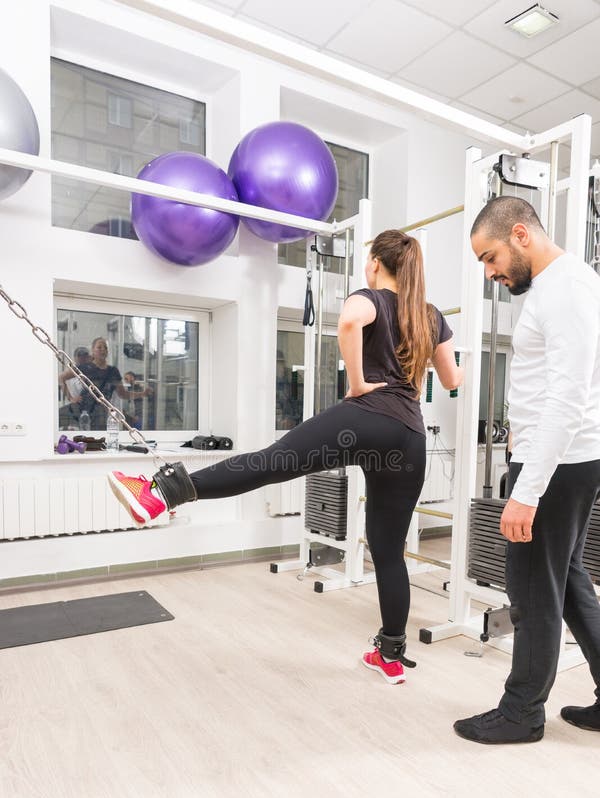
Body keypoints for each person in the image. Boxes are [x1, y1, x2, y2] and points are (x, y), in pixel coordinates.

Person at [108, 230, 463, 683]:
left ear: (376, 264)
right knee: (390, 553)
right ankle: (391, 655)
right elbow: (452, 380)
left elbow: (352, 321)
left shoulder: (371, 296)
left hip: (366, 418)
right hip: (408, 437)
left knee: (271, 462)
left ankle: (161, 492)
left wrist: (356, 382)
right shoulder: (430, 316)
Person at [454, 196, 600, 744]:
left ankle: (521, 713)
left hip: (556, 466)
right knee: (567, 582)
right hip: (562, 461)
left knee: (533, 589)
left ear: (520, 234)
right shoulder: (558, 287)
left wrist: (527, 491)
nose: (491, 273)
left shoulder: (565, 289)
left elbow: (568, 399)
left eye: (490, 258)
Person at [63, 337, 150, 430]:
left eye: (105, 347)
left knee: (100, 439)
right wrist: (70, 398)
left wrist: (143, 394)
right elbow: (61, 378)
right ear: (93, 350)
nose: (103, 350)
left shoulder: (113, 371)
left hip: (102, 415)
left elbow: (123, 394)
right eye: (99, 347)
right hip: (83, 414)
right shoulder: (84, 367)